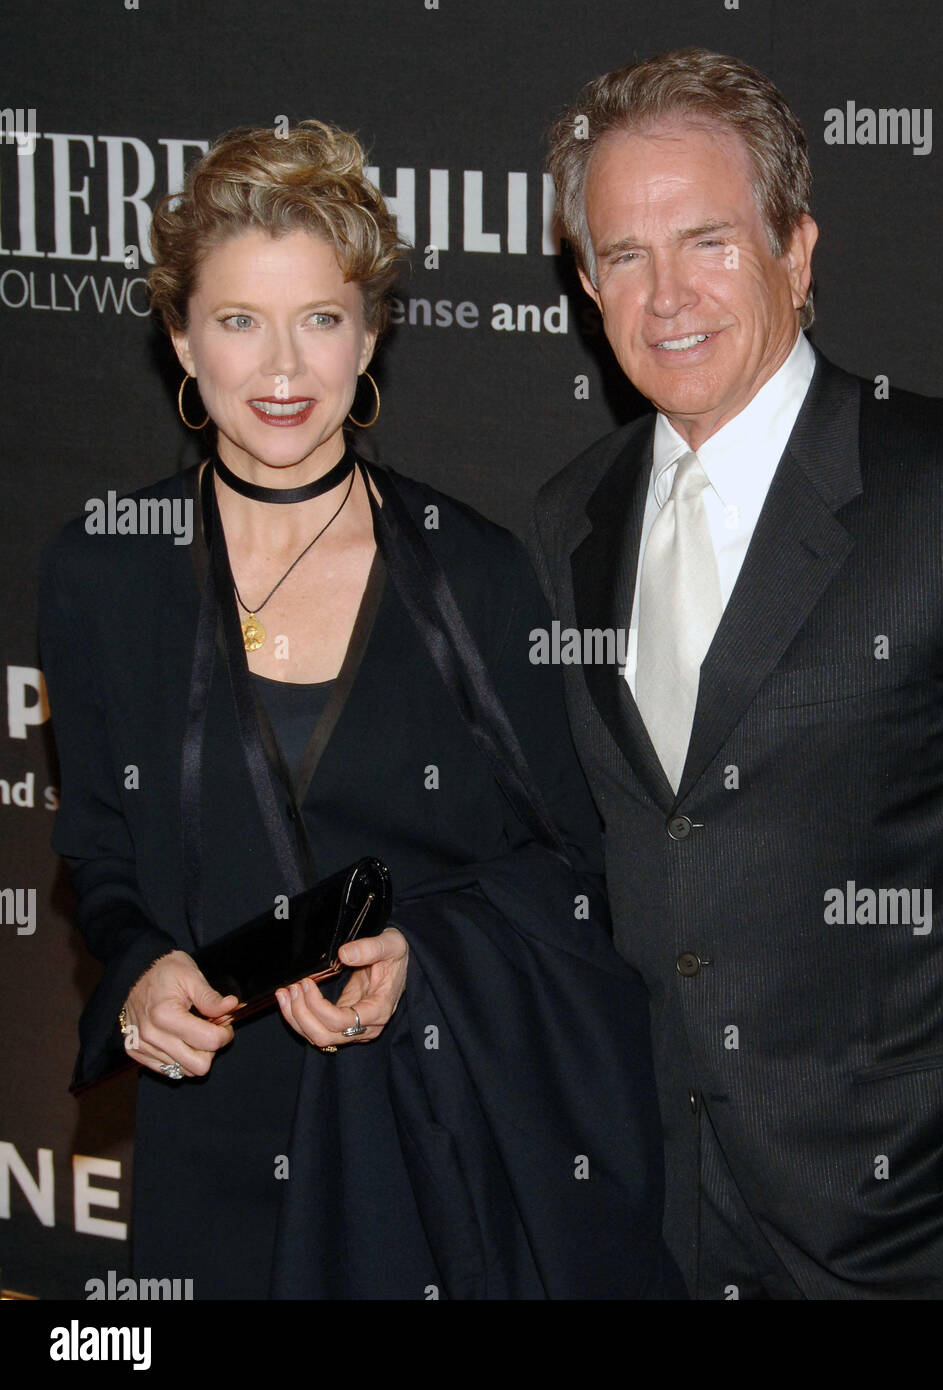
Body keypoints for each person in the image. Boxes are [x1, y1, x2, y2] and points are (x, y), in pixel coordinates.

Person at [532, 48, 943, 1298]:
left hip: (931, 1239)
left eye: (706, 240)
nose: (666, 297)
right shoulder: (569, 523)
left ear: (796, 250)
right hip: (656, 1224)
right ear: (586, 284)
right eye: (622, 255)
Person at [40, 120, 676, 1299]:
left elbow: (574, 865)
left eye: (321, 319)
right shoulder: (100, 569)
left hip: (418, 1137)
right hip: (210, 1133)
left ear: (372, 332)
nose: (283, 370)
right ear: (179, 337)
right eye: (238, 321)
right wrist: (137, 974)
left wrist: (420, 953)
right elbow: (101, 850)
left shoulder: (476, 575)